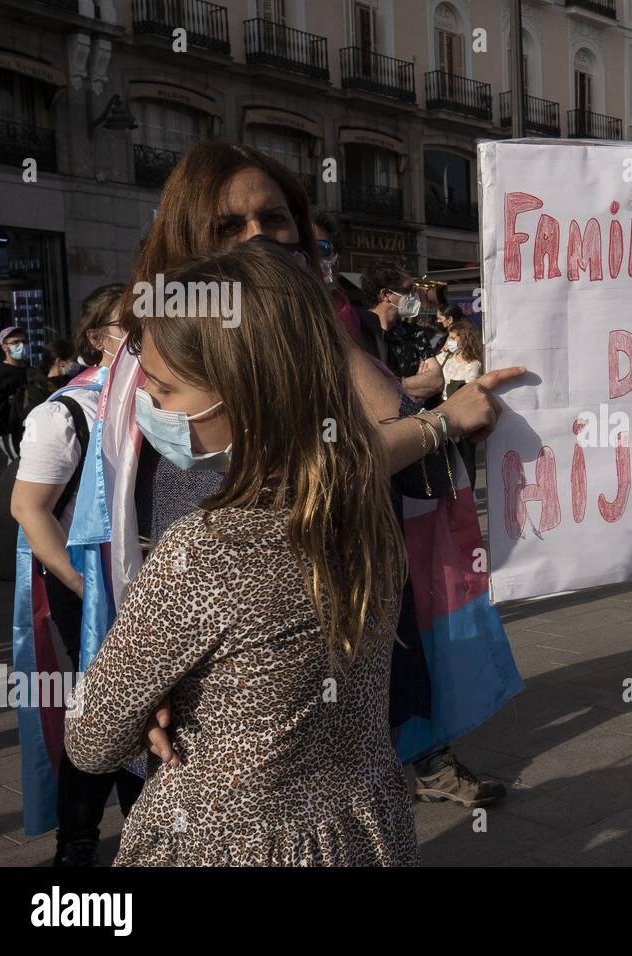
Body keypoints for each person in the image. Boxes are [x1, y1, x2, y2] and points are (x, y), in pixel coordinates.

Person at [32, 140, 521, 841]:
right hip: (218, 721)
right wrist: (441, 424)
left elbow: (373, 427)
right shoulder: (174, 337)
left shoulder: (314, 335)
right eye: (231, 228)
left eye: (275, 220)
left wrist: (306, 312)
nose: (259, 239)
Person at [64, 240, 423, 866]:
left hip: (222, 842)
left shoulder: (203, 551)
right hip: (361, 830)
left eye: (166, 389)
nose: (147, 406)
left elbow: (91, 740)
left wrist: (148, 698)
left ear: (243, 392)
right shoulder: (360, 506)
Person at [10, 283, 141, 864]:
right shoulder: (64, 412)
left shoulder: (157, 397)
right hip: (87, 586)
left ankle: (151, 830)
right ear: (98, 339)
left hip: (152, 581)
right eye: (129, 330)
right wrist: (83, 587)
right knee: (100, 711)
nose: (144, 341)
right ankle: (79, 840)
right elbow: (29, 509)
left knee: (150, 706)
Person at [358, 259, 444, 405]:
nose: (414, 296)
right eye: (408, 290)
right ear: (386, 294)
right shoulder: (358, 330)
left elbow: (436, 380)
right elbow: (362, 390)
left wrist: (387, 385)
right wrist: (414, 389)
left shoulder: (414, 334)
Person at [441, 321, 484, 489]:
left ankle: (468, 494)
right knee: (449, 458)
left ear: (463, 340)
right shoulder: (447, 359)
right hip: (444, 409)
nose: (449, 341)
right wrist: (443, 351)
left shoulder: (473, 364)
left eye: (453, 338)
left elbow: (469, 386)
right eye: (448, 338)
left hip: (463, 412)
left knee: (465, 456)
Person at [0, 325, 32, 469]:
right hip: (11, 434)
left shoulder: (30, 371)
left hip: (30, 431)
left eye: (24, 341)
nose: (21, 345)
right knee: (21, 469)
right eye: (16, 342)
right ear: (5, 347)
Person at [312, 210, 362, 342]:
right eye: (303, 248)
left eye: (321, 248)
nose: (311, 256)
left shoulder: (367, 323)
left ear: (336, 258)